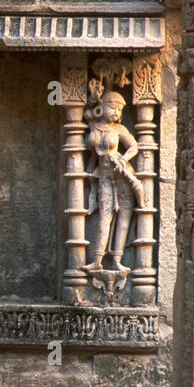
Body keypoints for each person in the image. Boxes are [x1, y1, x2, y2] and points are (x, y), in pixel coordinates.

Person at [83, 91, 143, 272]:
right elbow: (86, 112)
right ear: (103, 107)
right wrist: (94, 100)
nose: (116, 112)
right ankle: (97, 260)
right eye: (113, 107)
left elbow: (134, 146)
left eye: (120, 110)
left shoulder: (119, 130)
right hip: (104, 176)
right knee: (104, 217)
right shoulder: (93, 125)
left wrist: (124, 160)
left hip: (122, 175)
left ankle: (117, 260)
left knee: (124, 217)